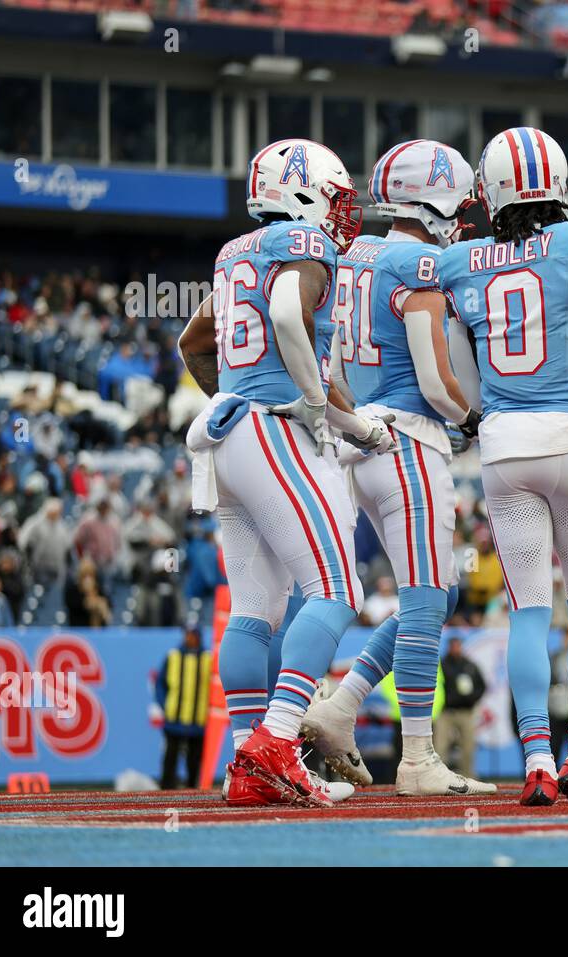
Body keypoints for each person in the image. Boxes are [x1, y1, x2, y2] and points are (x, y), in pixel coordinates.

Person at [178, 137, 392, 808]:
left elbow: (193, 343)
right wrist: (304, 400)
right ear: (304, 196)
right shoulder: (301, 243)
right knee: (335, 586)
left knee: (254, 609)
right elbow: (284, 317)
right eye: (333, 197)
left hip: (226, 434)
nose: (339, 214)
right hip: (270, 430)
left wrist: (338, 417)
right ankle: (274, 741)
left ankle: (246, 761)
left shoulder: (233, 251)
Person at [438, 126, 568, 806]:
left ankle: (535, 759)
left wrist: (483, 421)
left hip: (504, 446)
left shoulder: (464, 262)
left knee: (528, 612)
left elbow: (465, 389)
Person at [299, 139, 495, 797]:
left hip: (356, 435)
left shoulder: (349, 252)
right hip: (407, 438)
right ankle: (416, 757)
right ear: (435, 196)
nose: (462, 218)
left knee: (427, 597)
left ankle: (341, 702)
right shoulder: (420, 262)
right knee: (424, 598)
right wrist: (470, 419)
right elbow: (437, 380)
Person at [153, 627, 213, 789]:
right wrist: (166, 705)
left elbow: (215, 688)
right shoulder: (173, 656)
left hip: (198, 719)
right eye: (188, 634)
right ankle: (166, 788)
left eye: (193, 634)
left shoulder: (209, 659)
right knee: (170, 758)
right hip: (175, 718)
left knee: (194, 760)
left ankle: (192, 789)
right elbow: (160, 684)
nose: (190, 638)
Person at [436, 637, 488, 779]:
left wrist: (472, 699)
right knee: (441, 747)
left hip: (466, 712)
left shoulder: (470, 666)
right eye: (453, 646)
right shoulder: (442, 665)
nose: (456, 649)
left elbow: (482, 686)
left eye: (458, 646)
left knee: (468, 747)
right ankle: (440, 777)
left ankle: (468, 776)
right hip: (446, 712)